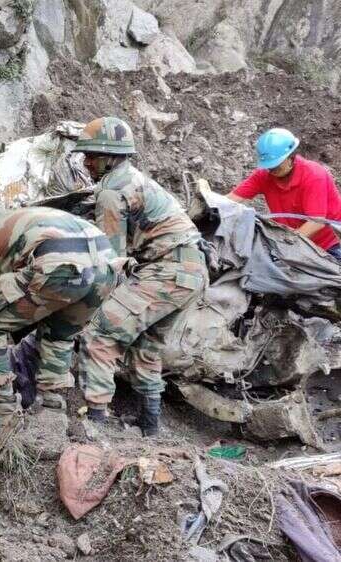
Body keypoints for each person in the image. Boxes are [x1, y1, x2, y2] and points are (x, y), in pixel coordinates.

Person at [72, 116, 209, 436]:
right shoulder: (133, 177)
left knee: (101, 335)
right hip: (190, 272)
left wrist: (90, 304)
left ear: (108, 157)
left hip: (167, 271)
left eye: (91, 156)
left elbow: (111, 260)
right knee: (145, 348)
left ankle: (95, 425)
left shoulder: (110, 191)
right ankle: (150, 426)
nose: (86, 162)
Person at [0, 205, 120, 427]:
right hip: (107, 263)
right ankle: (52, 407)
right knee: (59, 334)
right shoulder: (21, 219)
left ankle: (3, 410)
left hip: (60, 263)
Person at [228, 128, 341, 259]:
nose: (272, 170)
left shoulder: (314, 175)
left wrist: (285, 245)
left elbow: (316, 223)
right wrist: (208, 200)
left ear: (291, 157)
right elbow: (231, 199)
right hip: (293, 241)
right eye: (269, 166)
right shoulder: (264, 175)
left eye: (276, 165)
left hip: (328, 244)